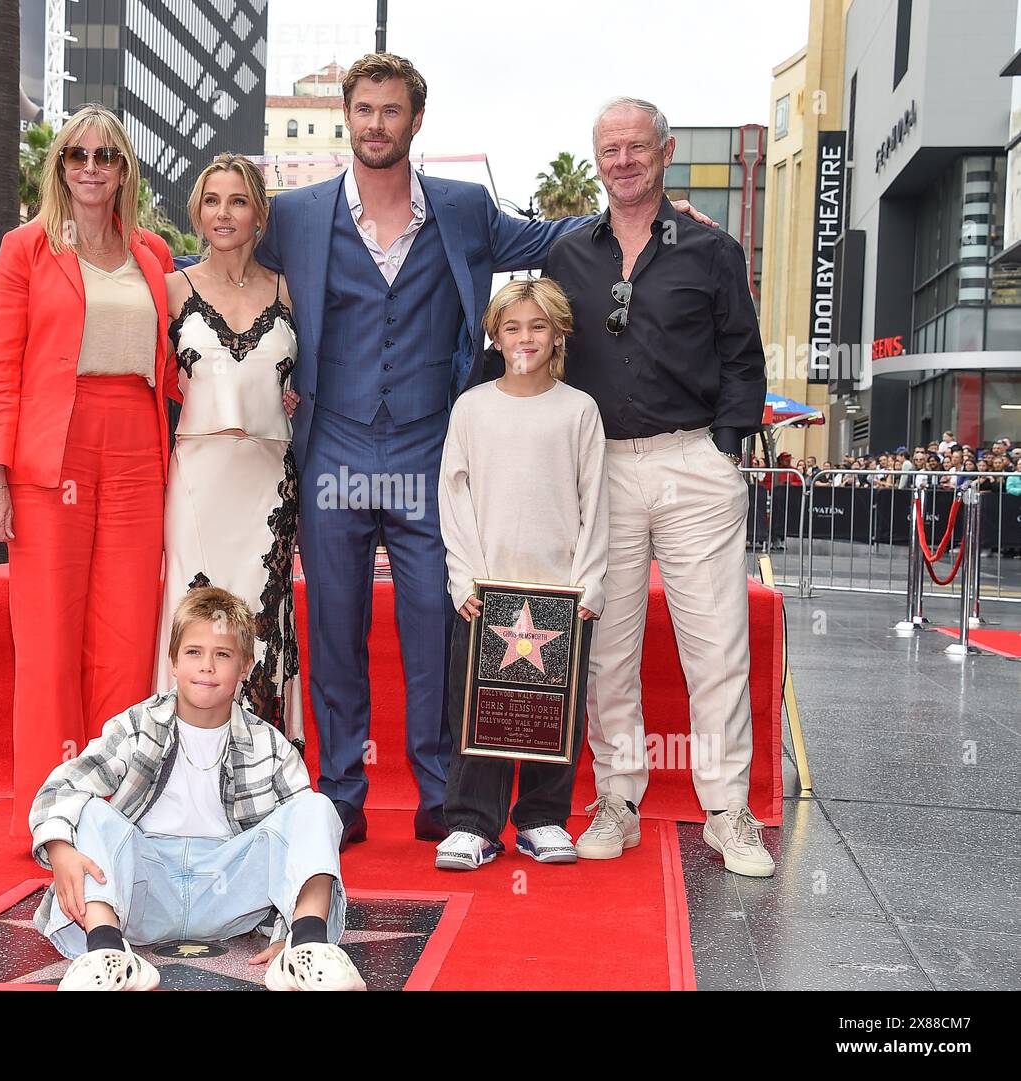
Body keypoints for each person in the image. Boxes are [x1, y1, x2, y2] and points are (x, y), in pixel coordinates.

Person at [252, 54, 714, 851]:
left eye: (390, 110)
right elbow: (227, 262)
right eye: (362, 110)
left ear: (415, 120)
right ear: (347, 119)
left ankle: (441, 795)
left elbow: (555, 233)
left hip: (431, 455)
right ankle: (340, 795)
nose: (374, 124)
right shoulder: (294, 216)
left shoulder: (464, 210)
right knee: (334, 628)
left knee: (441, 626)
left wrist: (654, 219)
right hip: (334, 450)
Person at [547, 96, 774, 878]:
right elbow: (533, 347)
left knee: (715, 644)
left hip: (691, 463)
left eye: (636, 147)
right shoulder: (567, 252)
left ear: (665, 150)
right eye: (609, 149)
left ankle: (727, 809)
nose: (622, 161)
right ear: (597, 158)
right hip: (600, 467)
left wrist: (725, 449)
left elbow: (744, 356)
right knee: (606, 651)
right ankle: (617, 799)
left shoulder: (711, 252)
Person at [0, 103, 176, 836]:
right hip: (49, 455)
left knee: (128, 635)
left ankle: (115, 810)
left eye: (107, 156)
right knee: (48, 640)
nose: (91, 167)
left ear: (125, 170)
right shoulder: (24, 249)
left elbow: (181, 364)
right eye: (77, 155)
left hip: (135, 451)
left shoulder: (152, 254)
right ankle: (51, 813)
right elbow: (0, 368)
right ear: (59, 166)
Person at [30, 587, 364, 992]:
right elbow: (60, 787)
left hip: (229, 892)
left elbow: (302, 841)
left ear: (244, 668)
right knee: (90, 811)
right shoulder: (137, 726)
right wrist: (60, 850)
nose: (207, 667)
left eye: (222, 655)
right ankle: (108, 952)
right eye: (193, 652)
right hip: (146, 890)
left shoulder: (271, 745)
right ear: (172, 662)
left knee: (317, 807)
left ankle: (305, 948)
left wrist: (284, 926)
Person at [434, 278, 607, 871]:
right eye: (512, 327)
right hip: (486, 592)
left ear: (558, 332)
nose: (525, 337)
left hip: (559, 592)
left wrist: (589, 581)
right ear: (495, 334)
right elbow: (453, 498)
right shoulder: (473, 407)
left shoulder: (579, 410)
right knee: (476, 706)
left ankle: (542, 818)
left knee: (551, 709)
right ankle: (472, 824)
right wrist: (465, 579)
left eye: (537, 325)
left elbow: (594, 502)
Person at [158, 155, 303, 745]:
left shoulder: (292, 291)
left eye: (238, 200)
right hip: (197, 476)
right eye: (213, 200)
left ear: (259, 214)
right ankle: (184, 761)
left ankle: (261, 759)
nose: (224, 213)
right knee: (194, 610)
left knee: (261, 618)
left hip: (269, 480)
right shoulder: (169, 289)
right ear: (197, 211)